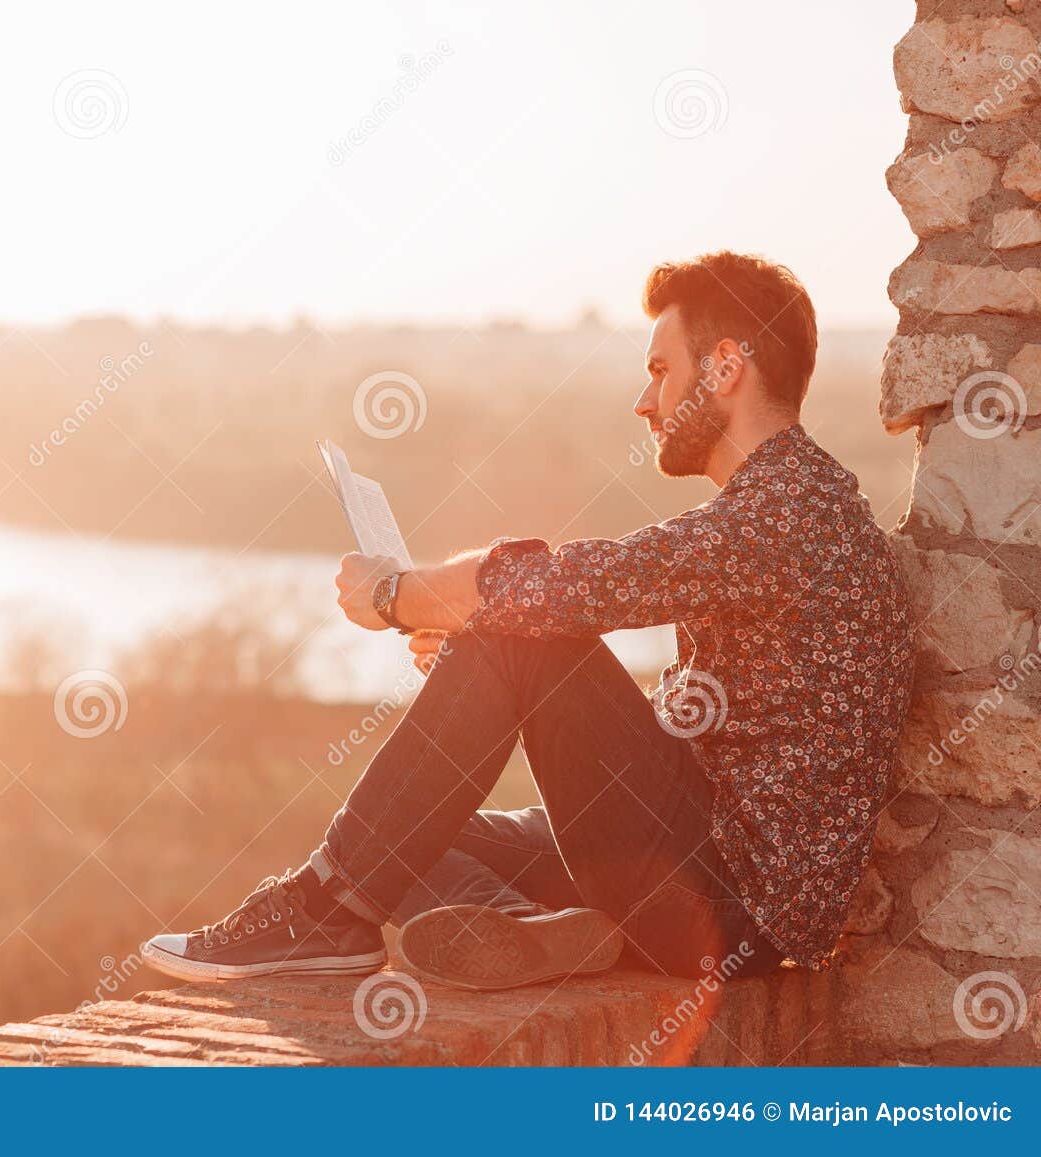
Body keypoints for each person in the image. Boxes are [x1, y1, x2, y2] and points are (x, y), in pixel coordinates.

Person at [140, 251, 914, 991]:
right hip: (703, 877)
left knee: (522, 629)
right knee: (412, 838)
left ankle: (323, 914)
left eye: (659, 370)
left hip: (725, 911)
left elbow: (576, 584)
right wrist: (479, 670)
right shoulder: (805, 505)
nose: (645, 402)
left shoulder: (786, 513)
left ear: (725, 367)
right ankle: (537, 932)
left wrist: (397, 596)